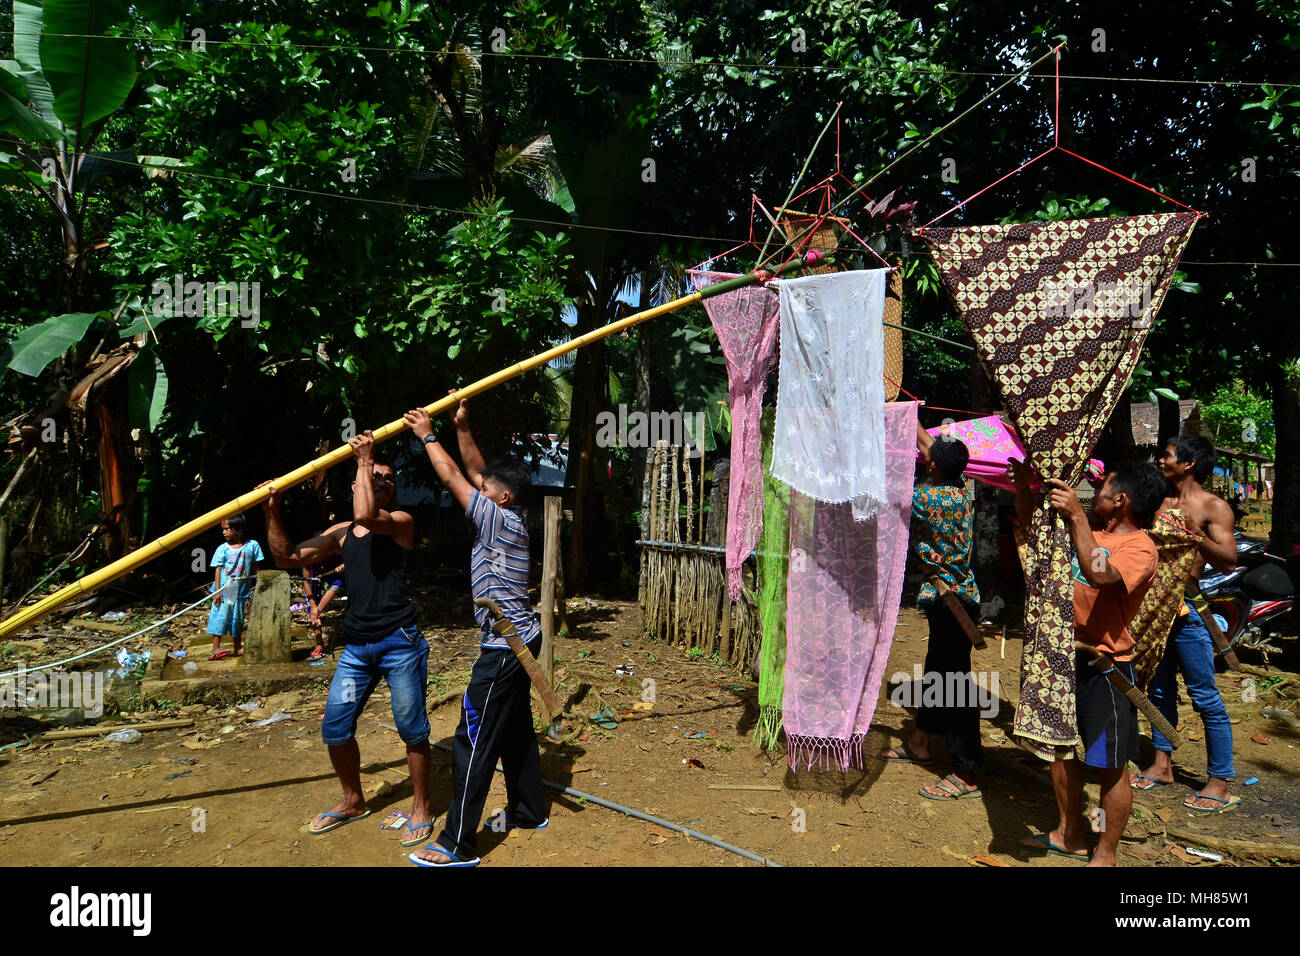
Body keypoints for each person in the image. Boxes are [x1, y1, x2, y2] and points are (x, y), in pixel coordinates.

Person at [260, 433, 434, 848]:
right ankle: (353, 800)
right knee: (335, 727)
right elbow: (288, 558)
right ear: (355, 486)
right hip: (357, 648)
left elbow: (370, 518)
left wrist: (364, 462)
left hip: (399, 643)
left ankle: (422, 807)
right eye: (375, 476)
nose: (384, 480)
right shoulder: (340, 532)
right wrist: (272, 508)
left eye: (389, 478)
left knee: (411, 728)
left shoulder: (400, 522)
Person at [405, 396, 546, 868]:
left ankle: (456, 844)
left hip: (504, 645)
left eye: (483, 489)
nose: (475, 490)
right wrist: (462, 426)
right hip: (523, 637)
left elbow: (452, 477)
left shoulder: (496, 517)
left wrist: (428, 434)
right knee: (515, 729)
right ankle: (528, 810)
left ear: (500, 497)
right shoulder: (512, 515)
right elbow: (476, 471)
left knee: (473, 734)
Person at [1012, 460, 1164, 866]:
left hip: (1105, 669)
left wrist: (1076, 515)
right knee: (1061, 750)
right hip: (1061, 660)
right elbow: (1034, 533)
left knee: (1110, 766)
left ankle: (1106, 853)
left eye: (1102, 488)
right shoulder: (1087, 531)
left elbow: (1099, 574)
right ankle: (1069, 834)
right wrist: (1026, 490)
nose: (1093, 493)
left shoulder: (1141, 548)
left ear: (1121, 500)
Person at [1130, 437, 1240, 813]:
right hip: (1152, 610)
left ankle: (1220, 780)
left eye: (1168, 456)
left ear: (1190, 464)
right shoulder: (1154, 502)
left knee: (1205, 697)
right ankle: (1162, 765)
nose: (1161, 460)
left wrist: (1196, 537)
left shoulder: (1213, 507)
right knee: (1158, 692)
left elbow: (1227, 559)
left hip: (1188, 612)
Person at [879, 423, 984, 802]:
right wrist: (906, 415)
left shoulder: (925, 499)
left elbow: (882, 493)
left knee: (955, 684)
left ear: (934, 468)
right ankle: (920, 741)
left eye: (927, 459)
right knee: (939, 670)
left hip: (951, 601)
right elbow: (930, 446)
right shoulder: (960, 490)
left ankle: (966, 770)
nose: (924, 458)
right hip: (956, 599)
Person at [205, 514, 265, 660]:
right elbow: (218, 569)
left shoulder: (252, 546)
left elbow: (256, 566)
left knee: (237, 619)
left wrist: (259, 584)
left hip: (241, 590)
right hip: (225, 590)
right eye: (223, 529)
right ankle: (215, 648)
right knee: (220, 618)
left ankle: (237, 648)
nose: (223, 532)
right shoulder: (223, 549)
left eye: (227, 529)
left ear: (238, 530)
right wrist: (217, 592)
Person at [303, 557, 345, 660]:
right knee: (311, 611)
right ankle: (319, 644)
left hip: (333, 577)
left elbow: (354, 556)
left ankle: (317, 613)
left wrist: (343, 565)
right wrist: (313, 606)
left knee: (337, 584)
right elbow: (306, 582)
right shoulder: (307, 560)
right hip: (314, 582)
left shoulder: (333, 551)